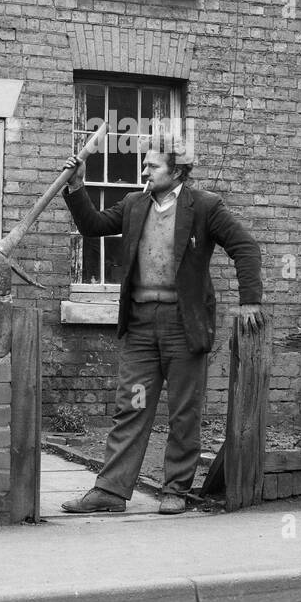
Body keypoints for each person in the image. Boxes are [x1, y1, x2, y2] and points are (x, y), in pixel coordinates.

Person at [60, 137, 262, 515]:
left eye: (152, 166)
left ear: (177, 171)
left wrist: (250, 300)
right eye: (145, 165)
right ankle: (110, 490)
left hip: (183, 325)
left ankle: (175, 490)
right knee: (131, 406)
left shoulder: (204, 207)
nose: (144, 171)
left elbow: (245, 247)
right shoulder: (135, 205)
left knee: (184, 410)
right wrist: (77, 184)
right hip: (140, 326)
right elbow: (93, 226)